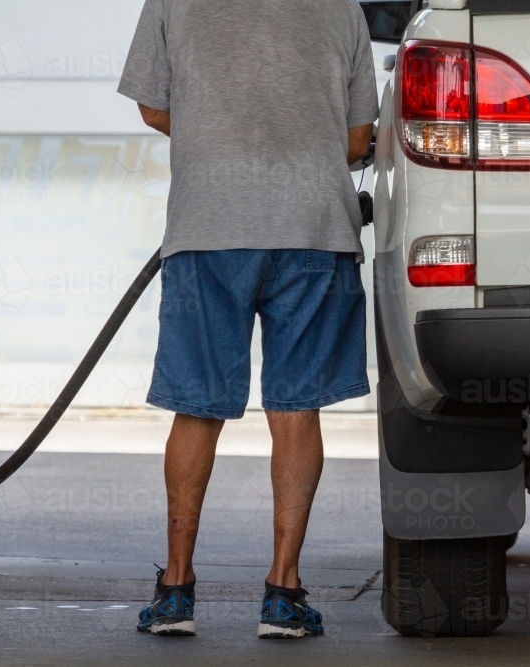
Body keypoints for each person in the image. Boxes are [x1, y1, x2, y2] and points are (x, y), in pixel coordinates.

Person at [118, 0, 377, 640]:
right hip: (314, 228)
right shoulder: (342, 8)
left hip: (209, 227)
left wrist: (220, 138)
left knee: (196, 406)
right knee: (296, 409)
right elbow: (357, 138)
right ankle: (283, 593)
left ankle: (176, 589)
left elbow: (152, 106)